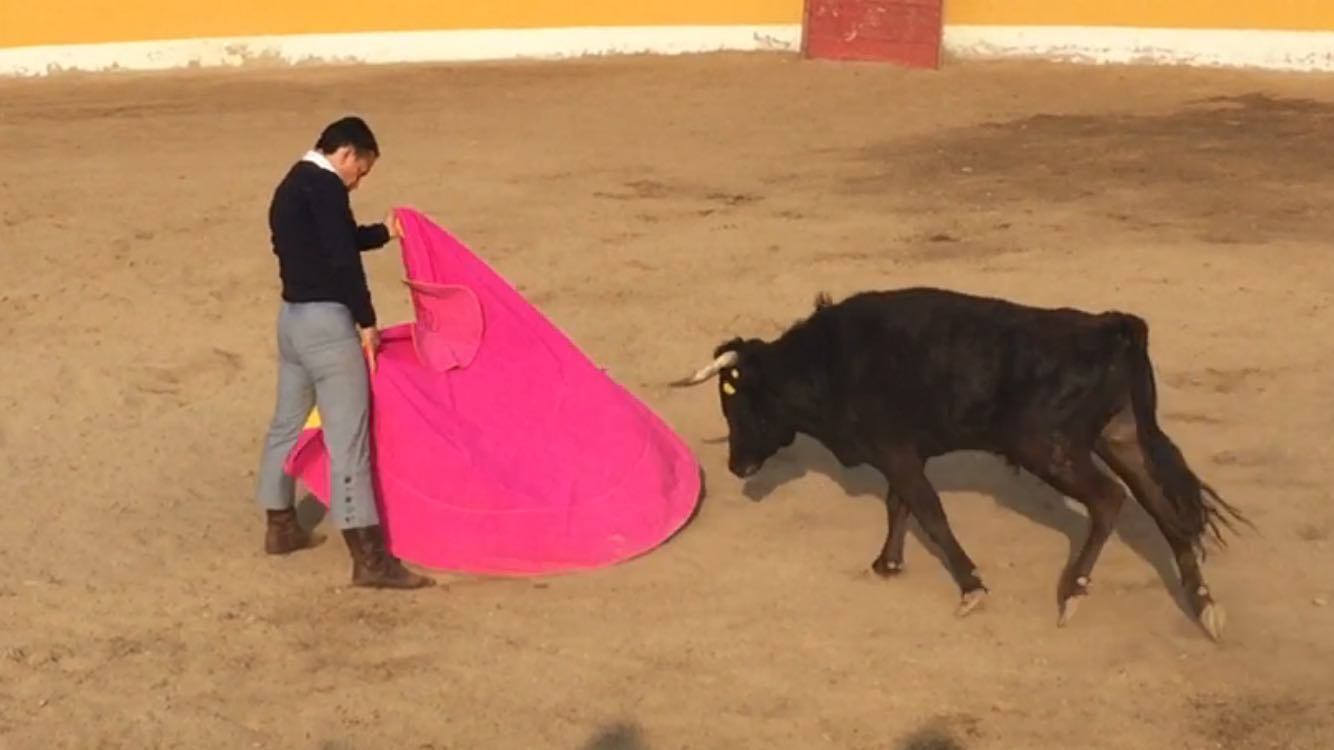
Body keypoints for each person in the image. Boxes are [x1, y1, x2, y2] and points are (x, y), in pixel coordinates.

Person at [254, 115, 432, 589]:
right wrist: (367, 320)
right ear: (347, 154)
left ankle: (280, 525)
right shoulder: (328, 188)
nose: (359, 180)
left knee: (285, 426)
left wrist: (383, 233)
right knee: (348, 440)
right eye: (363, 169)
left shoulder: (290, 184)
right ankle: (370, 560)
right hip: (329, 329)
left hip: (291, 322)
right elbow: (340, 258)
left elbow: (332, 240)